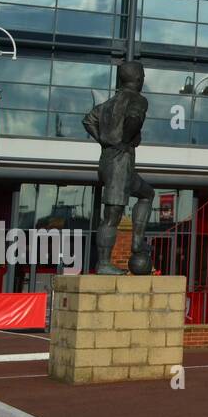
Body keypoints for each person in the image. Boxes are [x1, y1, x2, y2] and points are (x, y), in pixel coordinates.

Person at [83, 61, 154, 275]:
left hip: (109, 160)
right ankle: (103, 263)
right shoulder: (138, 100)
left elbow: (88, 120)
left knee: (147, 193)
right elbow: (134, 119)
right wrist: (123, 141)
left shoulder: (108, 103)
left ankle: (137, 242)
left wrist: (105, 141)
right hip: (119, 161)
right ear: (139, 79)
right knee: (112, 215)